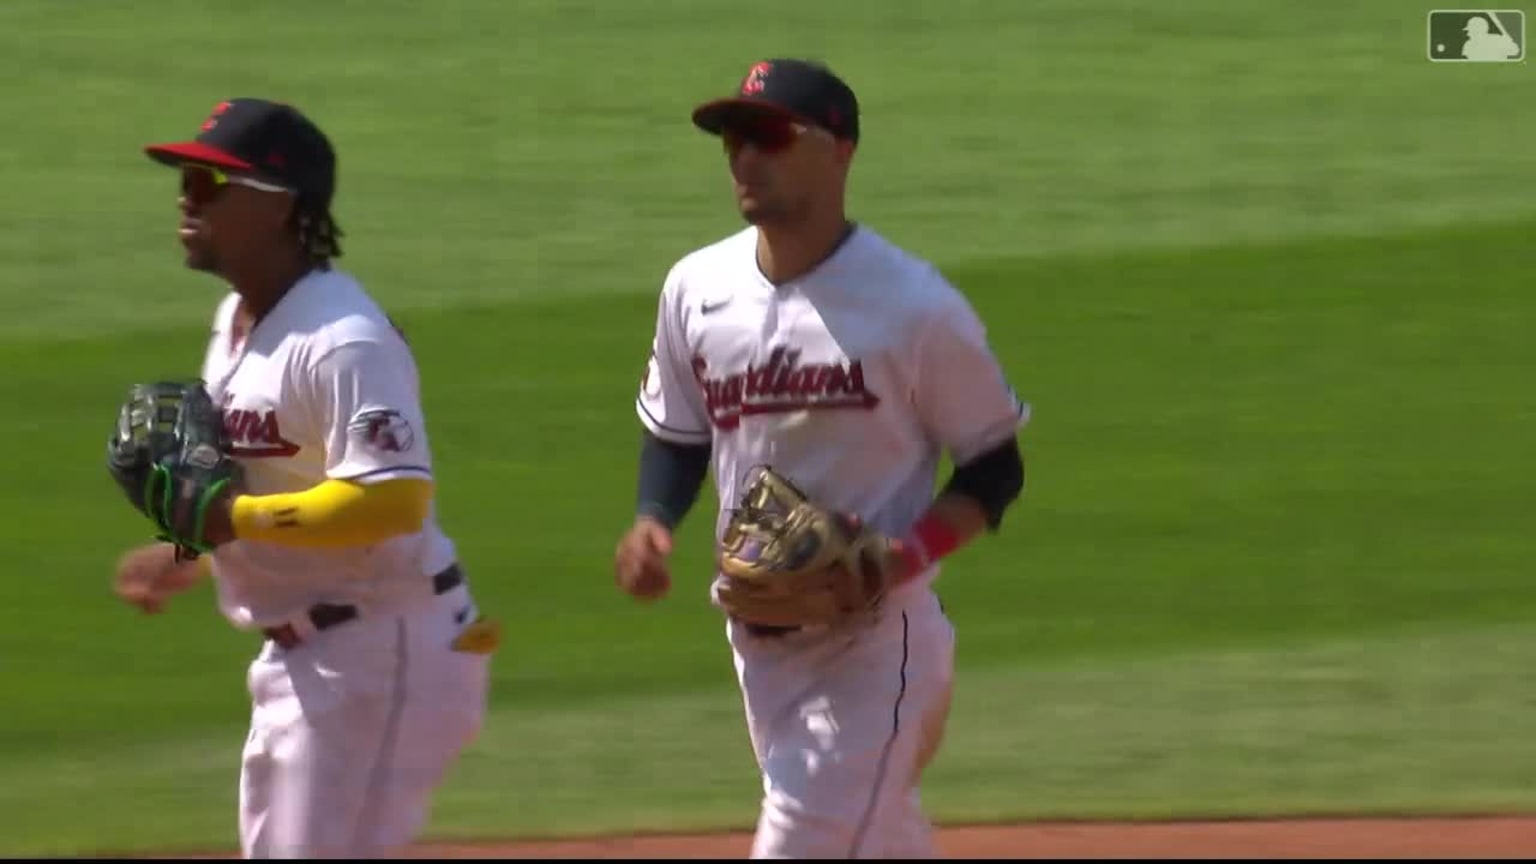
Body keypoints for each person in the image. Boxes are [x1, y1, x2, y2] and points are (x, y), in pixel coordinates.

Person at [613, 59, 1030, 858]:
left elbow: (994, 466)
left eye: (769, 136)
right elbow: (679, 432)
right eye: (733, 140)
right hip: (757, 646)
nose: (745, 157)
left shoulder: (914, 306)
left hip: (877, 647)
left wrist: (904, 555)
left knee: (803, 839)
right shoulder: (696, 288)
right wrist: (652, 519)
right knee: (873, 839)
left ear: (839, 150)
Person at [113, 97, 496, 859]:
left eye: (211, 182)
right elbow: (274, 478)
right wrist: (195, 550)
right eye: (186, 179)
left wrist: (233, 522)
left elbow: (391, 498)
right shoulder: (235, 320)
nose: (187, 198)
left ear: (282, 205)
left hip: (382, 648)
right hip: (310, 657)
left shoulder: (343, 340)